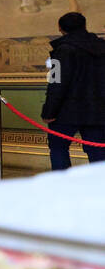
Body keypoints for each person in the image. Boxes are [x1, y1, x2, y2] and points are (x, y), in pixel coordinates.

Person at [42, 11, 105, 170]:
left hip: (65, 112)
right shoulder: (102, 47)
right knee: (98, 154)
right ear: (84, 26)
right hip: (97, 111)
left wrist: (49, 112)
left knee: (58, 149)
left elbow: (56, 84)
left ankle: (63, 189)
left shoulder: (61, 51)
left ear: (61, 29)